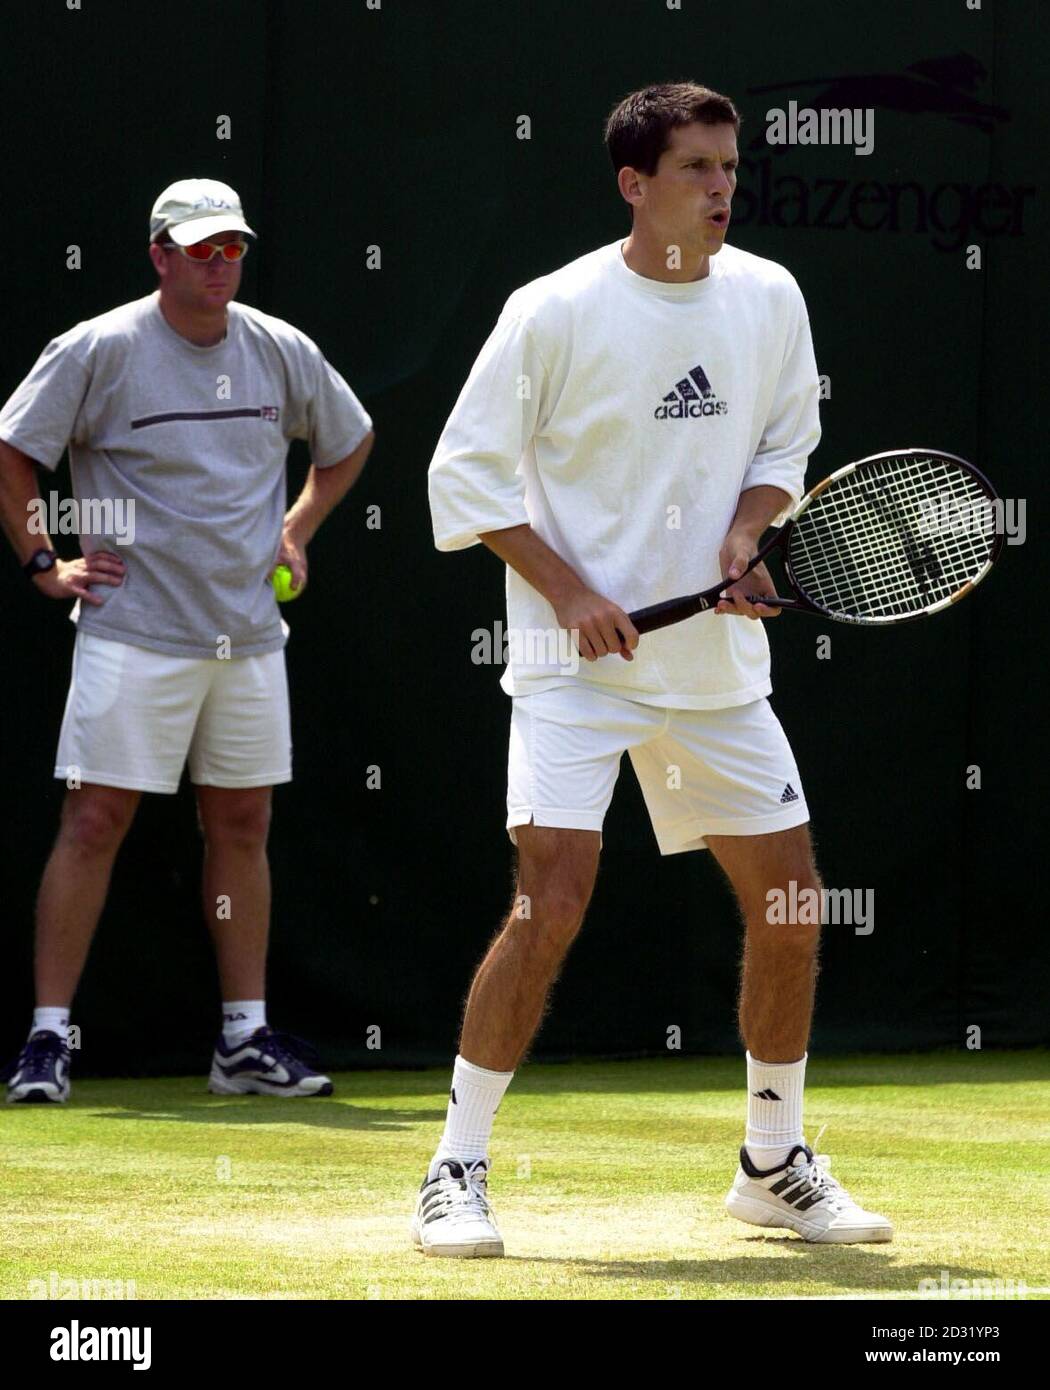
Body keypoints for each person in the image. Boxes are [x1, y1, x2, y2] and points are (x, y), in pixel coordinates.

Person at [420, 84, 891, 1255]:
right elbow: (464, 478)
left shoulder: (770, 297)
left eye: (730, 167)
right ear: (636, 183)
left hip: (714, 660)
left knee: (790, 903)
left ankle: (773, 1160)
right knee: (552, 901)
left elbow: (786, 444)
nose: (723, 188)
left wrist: (749, 532)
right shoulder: (555, 311)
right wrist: (571, 590)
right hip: (574, 667)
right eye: (697, 168)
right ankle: (455, 1168)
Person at [0, 178, 373, 1104]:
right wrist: (43, 561)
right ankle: (48, 1040)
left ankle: (242, 1041)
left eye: (233, 249)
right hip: (132, 631)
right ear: (160, 255)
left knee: (242, 825)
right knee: (94, 823)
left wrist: (295, 531)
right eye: (201, 250)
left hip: (247, 637)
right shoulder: (98, 348)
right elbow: (15, 450)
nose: (220, 265)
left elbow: (348, 441)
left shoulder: (280, 349)